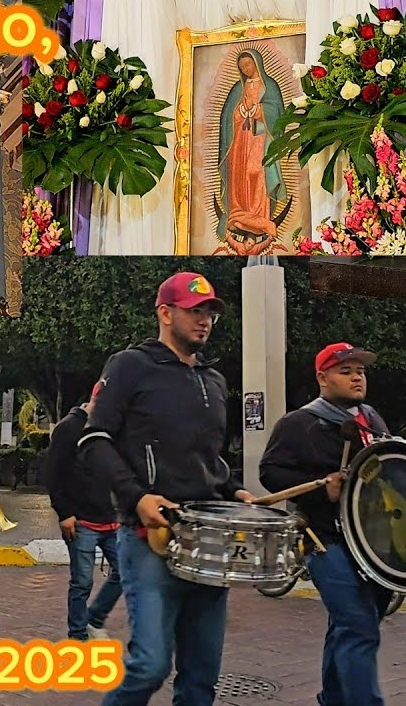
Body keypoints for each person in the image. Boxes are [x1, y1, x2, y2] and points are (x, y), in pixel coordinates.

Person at [78, 272, 253, 706]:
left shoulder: (214, 378)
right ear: (165, 312)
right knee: (150, 666)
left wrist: (233, 490)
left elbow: (209, 458)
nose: (205, 320)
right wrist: (137, 496)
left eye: (210, 311)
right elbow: (93, 441)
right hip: (148, 539)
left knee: (201, 678)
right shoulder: (131, 365)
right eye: (195, 311)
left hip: (209, 539)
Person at [259, 342, 394, 706]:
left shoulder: (373, 419)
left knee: (351, 626)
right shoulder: (298, 424)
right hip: (325, 541)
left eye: (360, 371)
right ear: (322, 377)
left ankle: (332, 698)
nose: (356, 377)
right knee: (358, 627)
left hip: (372, 542)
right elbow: (271, 473)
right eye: (345, 371)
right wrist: (323, 488)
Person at [47, 380, 121, 641]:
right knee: (81, 582)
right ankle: (78, 634)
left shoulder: (109, 429)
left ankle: (94, 618)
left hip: (110, 518)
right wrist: (64, 513)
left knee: (124, 572)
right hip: (81, 519)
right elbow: (54, 474)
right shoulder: (68, 428)